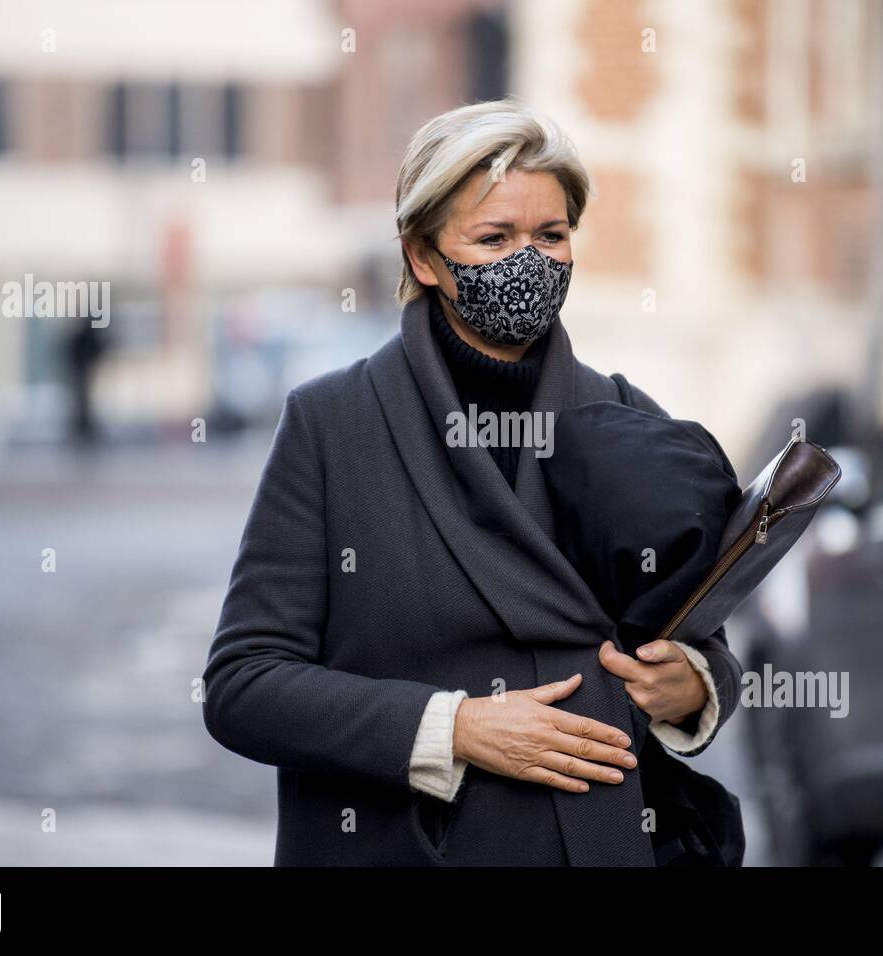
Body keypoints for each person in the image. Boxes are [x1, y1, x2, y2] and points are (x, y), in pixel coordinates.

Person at [202, 97, 740, 866]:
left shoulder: (627, 416)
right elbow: (243, 686)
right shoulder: (332, 427)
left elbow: (706, 645)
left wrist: (691, 687)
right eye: (494, 238)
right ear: (423, 256)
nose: (530, 260)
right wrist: (452, 729)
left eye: (550, 235)